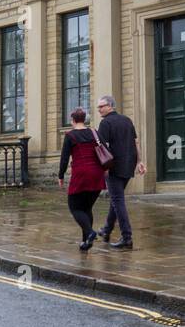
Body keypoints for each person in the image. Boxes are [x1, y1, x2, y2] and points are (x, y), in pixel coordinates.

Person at [95, 94, 146, 249]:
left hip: (113, 167)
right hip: (128, 165)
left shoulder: (105, 123)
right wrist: (139, 161)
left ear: (111, 106)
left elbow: (101, 149)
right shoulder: (127, 120)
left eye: (101, 106)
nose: (99, 110)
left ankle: (127, 237)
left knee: (118, 200)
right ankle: (106, 230)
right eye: (98, 107)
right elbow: (135, 143)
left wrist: (101, 168)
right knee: (116, 198)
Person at [58, 107, 105, 252]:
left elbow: (64, 158)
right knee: (87, 208)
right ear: (84, 119)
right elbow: (103, 148)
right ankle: (86, 242)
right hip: (97, 173)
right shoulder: (94, 132)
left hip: (81, 174)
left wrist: (61, 176)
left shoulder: (70, 136)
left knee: (75, 207)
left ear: (72, 120)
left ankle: (90, 233)